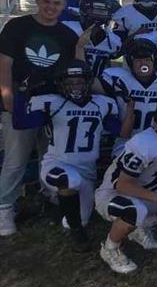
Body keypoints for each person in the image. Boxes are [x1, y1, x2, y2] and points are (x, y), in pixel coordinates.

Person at [13, 60, 120, 250]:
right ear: (61, 84)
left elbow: (118, 129)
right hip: (57, 164)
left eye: (79, 81)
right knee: (69, 181)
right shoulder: (53, 103)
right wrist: (22, 93)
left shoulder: (101, 103)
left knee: (79, 217)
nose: (75, 86)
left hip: (87, 170)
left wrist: (118, 97)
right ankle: (77, 233)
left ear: (88, 83)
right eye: (70, 82)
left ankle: (63, 214)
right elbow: (21, 123)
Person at [0, 0, 79, 236]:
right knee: (16, 159)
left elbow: (74, 70)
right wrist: (6, 94)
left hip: (53, 103)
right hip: (22, 100)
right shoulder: (17, 26)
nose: (51, 7)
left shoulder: (67, 34)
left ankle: (51, 196)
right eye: (47, 1)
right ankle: (4, 207)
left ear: (64, 6)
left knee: (52, 155)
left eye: (57, 3)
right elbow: (4, 63)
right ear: (38, 0)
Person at [94, 102, 157, 274]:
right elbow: (122, 185)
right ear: (156, 125)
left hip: (149, 191)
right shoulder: (144, 144)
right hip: (113, 193)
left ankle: (141, 227)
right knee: (136, 210)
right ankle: (110, 248)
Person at [62, 0, 122, 77]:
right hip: (69, 81)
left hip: (97, 83)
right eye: (95, 11)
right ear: (84, 11)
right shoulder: (67, 29)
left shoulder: (113, 41)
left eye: (102, 12)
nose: (98, 15)